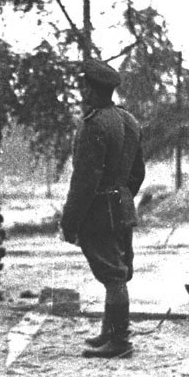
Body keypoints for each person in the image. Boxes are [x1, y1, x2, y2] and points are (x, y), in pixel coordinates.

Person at [60, 59, 145, 358]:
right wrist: (122, 195)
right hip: (122, 206)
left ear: (90, 89)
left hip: (99, 211)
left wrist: (70, 221)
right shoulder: (128, 120)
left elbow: (84, 181)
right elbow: (138, 173)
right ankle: (110, 333)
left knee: (113, 276)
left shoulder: (93, 124)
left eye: (83, 86)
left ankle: (119, 341)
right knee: (117, 272)